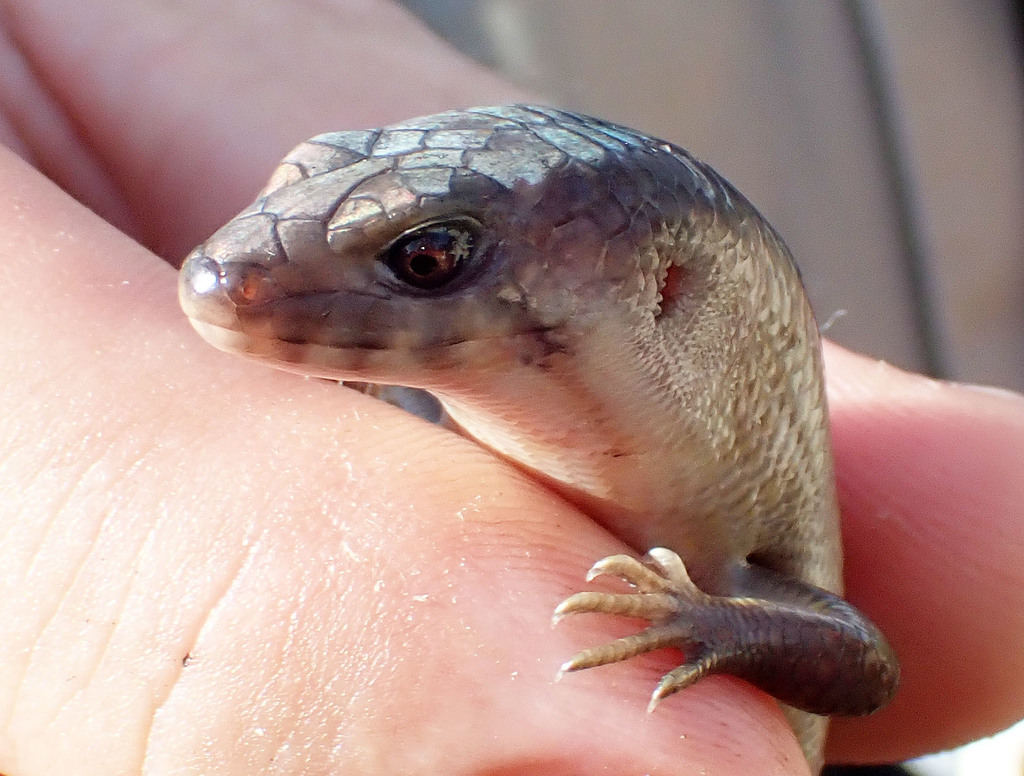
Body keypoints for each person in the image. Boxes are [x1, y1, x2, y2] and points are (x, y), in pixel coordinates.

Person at [0, 2, 1021, 773]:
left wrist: (708, 624)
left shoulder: (732, 544)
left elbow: (860, 664)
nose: (224, 272)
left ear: (657, 288)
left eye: (432, 259)